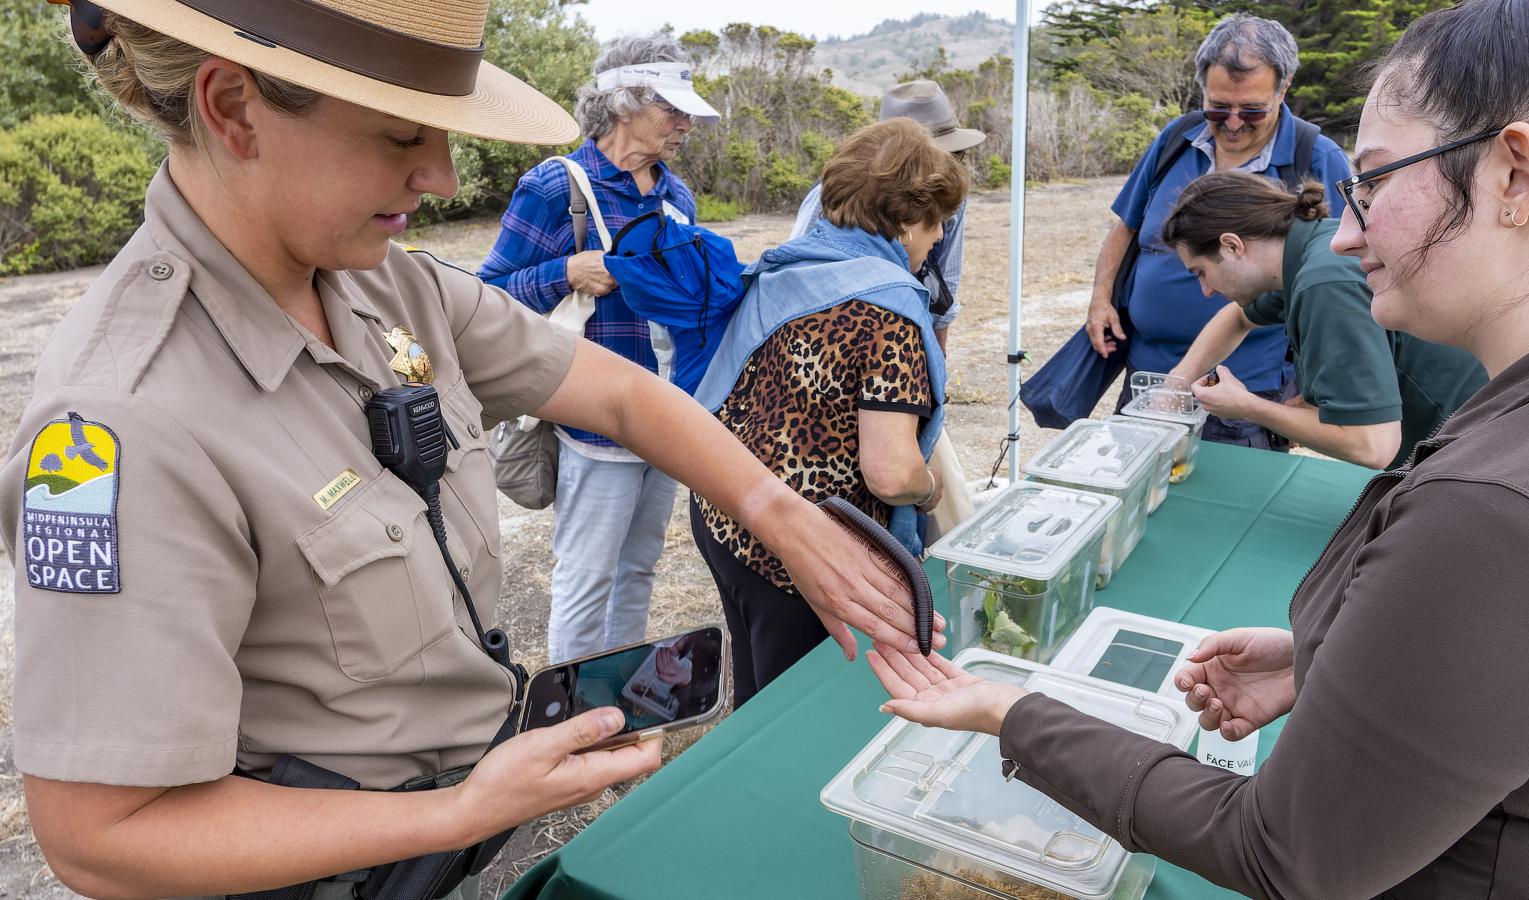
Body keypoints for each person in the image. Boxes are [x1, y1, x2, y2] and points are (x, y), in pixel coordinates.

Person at [1, 3, 940, 897]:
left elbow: (613, 388)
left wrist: (780, 514)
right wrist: (453, 816)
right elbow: (102, 834)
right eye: (401, 136)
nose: (443, 177)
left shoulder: (390, 288)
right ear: (233, 108)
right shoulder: (117, 423)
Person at [868, 1, 1529, 895]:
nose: (1344, 232)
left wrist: (1013, 711)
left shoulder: (1499, 514)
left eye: (1372, 183)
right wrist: (1327, 647)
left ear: (1515, 175)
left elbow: (1289, 852)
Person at [693, 119, 966, 707]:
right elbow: (891, 474)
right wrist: (929, 490)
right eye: (935, 220)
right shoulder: (889, 312)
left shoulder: (792, 266)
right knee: (797, 707)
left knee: (756, 690)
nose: (939, 237)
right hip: (806, 550)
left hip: (728, 515)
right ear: (901, 219)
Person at [478, 35, 714, 665]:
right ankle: (575, 721)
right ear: (623, 105)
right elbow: (484, 297)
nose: (687, 124)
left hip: (665, 415)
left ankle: (623, 705)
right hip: (594, 425)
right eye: (673, 109)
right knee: (586, 579)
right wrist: (565, 272)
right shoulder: (557, 186)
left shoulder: (676, 198)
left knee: (638, 570)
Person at [1083, 14, 1351, 449]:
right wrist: (1100, 298)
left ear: (1283, 89)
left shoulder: (1317, 157)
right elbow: (1126, 226)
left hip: (1247, 390)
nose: (1231, 123)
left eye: (1251, 110)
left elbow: (1345, 276)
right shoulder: (1176, 138)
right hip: (1149, 379)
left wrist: (1314, 388)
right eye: (1217, 107)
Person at [1163, 172, 1486, 469]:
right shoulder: (1312, 249)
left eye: (1201, 272)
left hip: (1462, 455)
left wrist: (1247, 406)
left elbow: (1372, 446)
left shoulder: (1324, 283)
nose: (1206, 290)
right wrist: (1176, 382)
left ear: (1232, 245)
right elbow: (1237, 318)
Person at [789, 79, 985, 352]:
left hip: (907, 333)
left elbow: (945, 282)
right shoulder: (831, 194)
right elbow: (799, 267)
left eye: (955, 155)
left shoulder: (953, 197)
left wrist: (937, 368)